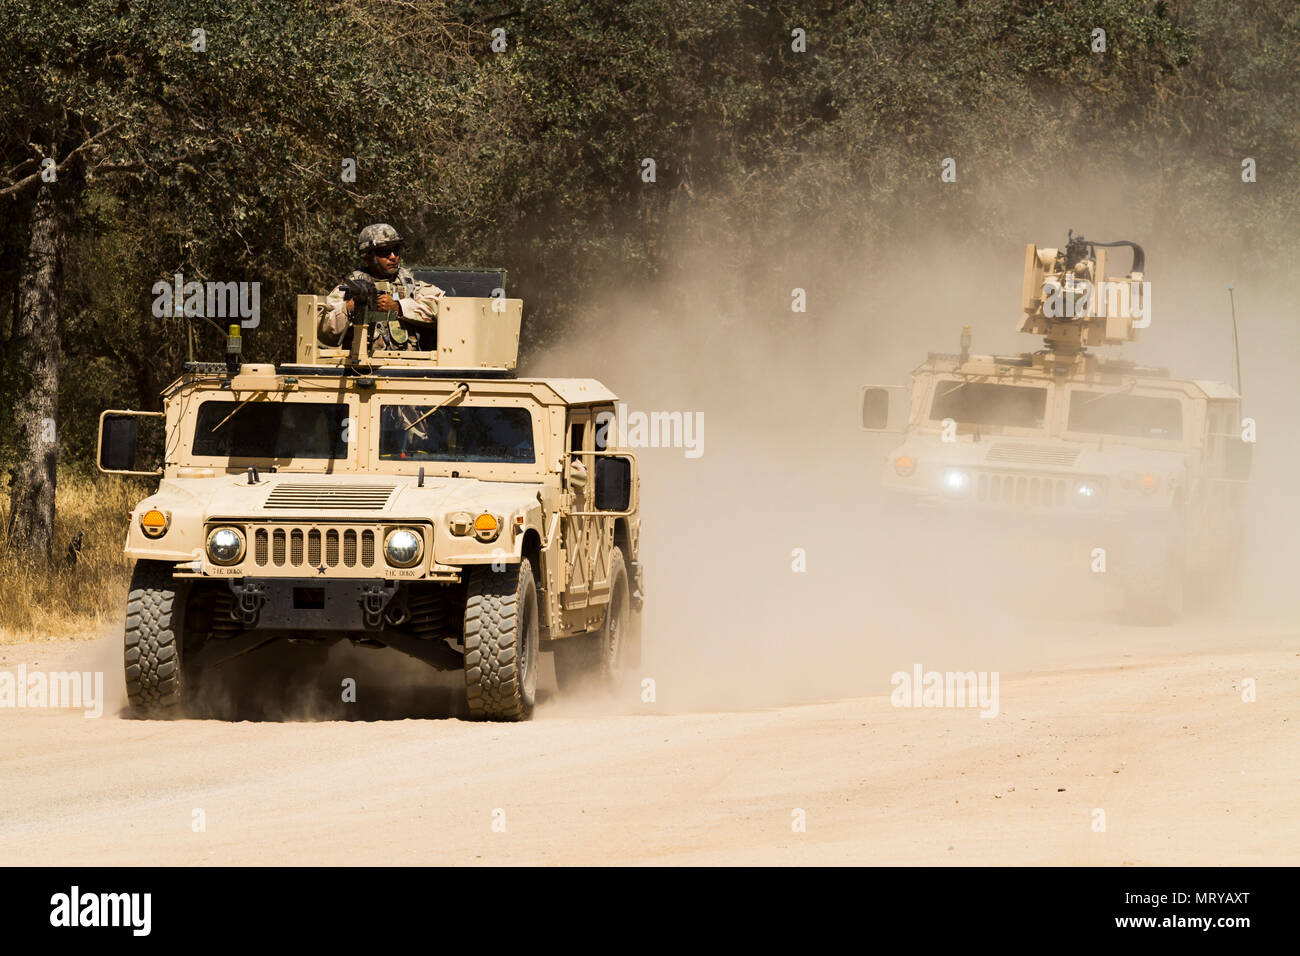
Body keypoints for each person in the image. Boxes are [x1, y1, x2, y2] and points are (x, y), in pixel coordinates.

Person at [319, 223, 445, 351]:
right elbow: (322, 330)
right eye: (384, 252)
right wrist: (349, 307)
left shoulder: (410, 286)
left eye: (396, 250)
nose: (393, 257)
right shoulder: (350, 289)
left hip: (408, 366)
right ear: (367, 255)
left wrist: (399, 307)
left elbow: (446, 310)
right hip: (364, 367)